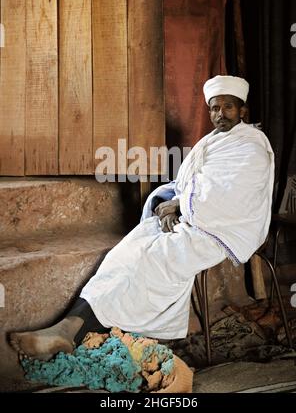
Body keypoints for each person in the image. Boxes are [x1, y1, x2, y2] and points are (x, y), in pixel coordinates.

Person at [9, 75, 274, 361]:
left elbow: (228, 197)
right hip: (193, 219)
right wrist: (169, 202)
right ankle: (67, 328)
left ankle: (71, 331)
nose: (220, 114)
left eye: (228, 107)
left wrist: (179, 204)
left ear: (243, 110)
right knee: (127, 251)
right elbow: (190, 184)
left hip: (222, 230)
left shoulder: (252, 145)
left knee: (149, 261)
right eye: (214, 108)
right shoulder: (212, 141)